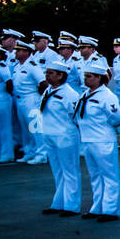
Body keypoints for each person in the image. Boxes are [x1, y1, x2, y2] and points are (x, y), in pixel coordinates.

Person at [73, 59, 120, 220]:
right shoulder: (85, 94)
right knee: (95, 176)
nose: (85, 79)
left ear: (99, 78)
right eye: (85, 76)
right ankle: (97, 207)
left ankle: (110, 210)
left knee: (109, 176)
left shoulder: (107, 96)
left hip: (103, 140)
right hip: (88, 140)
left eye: (89, 76)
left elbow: (117, 118)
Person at [37, 61, 82, 216]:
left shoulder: (70, 94)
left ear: (60, 75)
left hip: (65, 136)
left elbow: (76, 117)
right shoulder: (48, 90)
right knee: (58, 172)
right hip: (50, 135)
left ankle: (72, 206)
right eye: (46, 73)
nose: (47, 76)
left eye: (50, 73)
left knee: (70, 171)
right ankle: (58, 203)